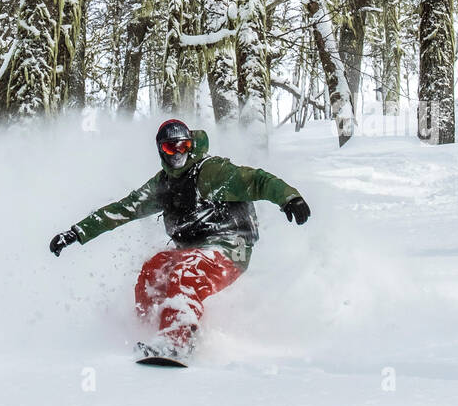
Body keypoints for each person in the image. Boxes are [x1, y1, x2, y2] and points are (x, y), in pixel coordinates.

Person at [49, 118, 310, 362]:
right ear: (161, 151)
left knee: (186, 272)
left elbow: (257, 181)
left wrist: (289, 198)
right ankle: (148, 331)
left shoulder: (212, 172)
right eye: (170, 148)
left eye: (183, 146)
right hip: (193, 249)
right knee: (154, 269)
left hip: (233, 246)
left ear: (190, 145)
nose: (178, 154)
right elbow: (123, 209)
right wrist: (77, 232)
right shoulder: (162, 185)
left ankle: (178, 341)